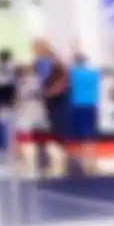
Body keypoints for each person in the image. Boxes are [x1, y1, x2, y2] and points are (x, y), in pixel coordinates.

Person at [36, 40, 71, 178]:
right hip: (45, 105)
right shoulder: (38, 64)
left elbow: (63, 83)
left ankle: (65, 165)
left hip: (57, 104)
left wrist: (50, 93)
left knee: (59, 134)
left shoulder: (56, 63)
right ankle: (44, 165)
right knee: (41, 134)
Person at [68, 52, 101, 173]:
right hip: (92, 105)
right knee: (90, 135)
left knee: (79, 137)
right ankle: (92, 163)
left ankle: (80, 162)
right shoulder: (94, 73)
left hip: (77, 105)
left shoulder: (73, 73)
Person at [12, 64, 45, 177]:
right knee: (36, 141)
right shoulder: (40, 81)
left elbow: (19, 99)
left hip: (25, 113)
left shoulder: (22, 82)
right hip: (39, 113)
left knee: (25, 141)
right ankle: (37, 166)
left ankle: (29, 167)